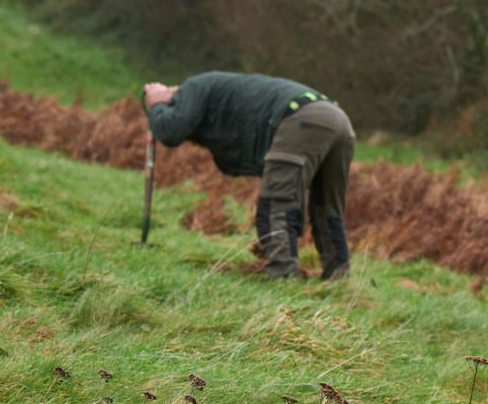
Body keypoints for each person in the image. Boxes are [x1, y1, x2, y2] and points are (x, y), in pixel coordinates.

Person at [142, 72, 354, 280]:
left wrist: (156, 105)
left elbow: (171, 131)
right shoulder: (219, 91)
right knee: (326, 207)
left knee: (275, 204)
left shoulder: (193, 87)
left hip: (301, 120)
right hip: (338, 120)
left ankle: (282, 276)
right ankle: (338, 278)